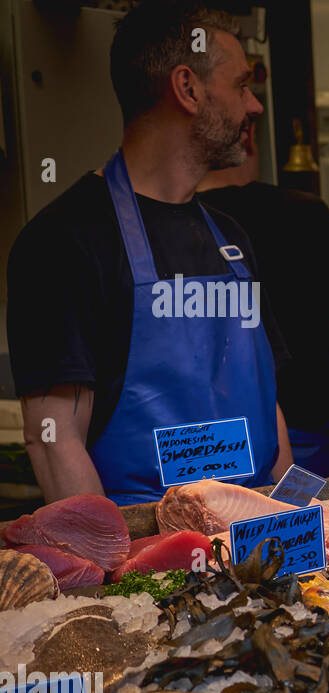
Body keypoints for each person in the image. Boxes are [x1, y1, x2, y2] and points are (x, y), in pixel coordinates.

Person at [6, 2, 291, 504]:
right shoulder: (63, 242)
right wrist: (122, 577)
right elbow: (54, 441)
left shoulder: (233, 242)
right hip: (148, 553)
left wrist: (293, 534)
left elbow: (269, 414)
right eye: (241, 85)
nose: (255, 106)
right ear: (188, 88)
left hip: (257, 541)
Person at [199, 121, 329, 477]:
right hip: (309, 431)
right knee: (324, 532)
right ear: (249, 140)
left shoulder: (178, 223)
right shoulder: (306, 212)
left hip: (214, 445)